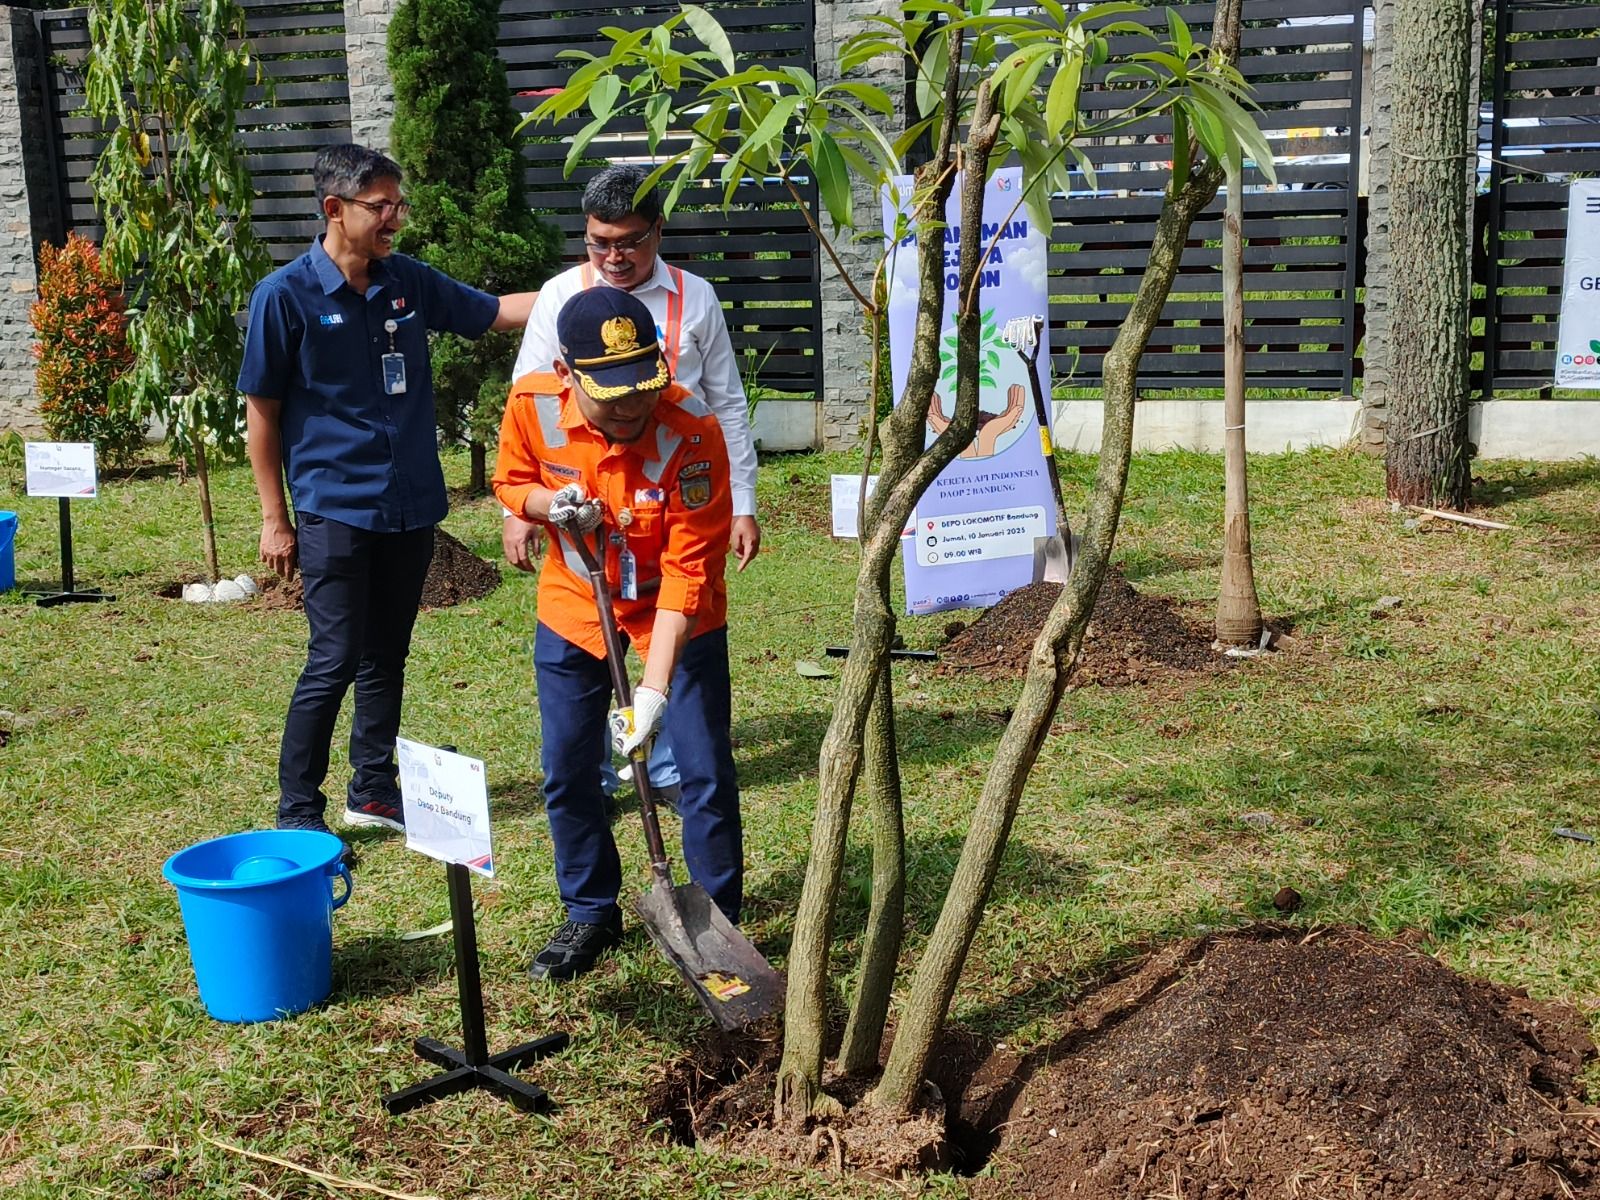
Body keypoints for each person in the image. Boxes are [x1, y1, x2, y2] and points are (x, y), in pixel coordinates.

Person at [240, 143, 537, 845]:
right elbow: (262, 413)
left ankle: (372, 788)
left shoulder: (405, 282)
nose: (395, 218)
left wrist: (589, 286)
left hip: (408, 508)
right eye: (382, 206)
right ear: (335, 209)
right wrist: (274, 519)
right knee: (334, 656)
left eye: (398, 204)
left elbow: (493, 312)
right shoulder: (284, 297)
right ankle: (299, 810)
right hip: (334, 508)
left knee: (387, 654)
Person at [491, 287, 740, 981]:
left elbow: (691, 571)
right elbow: (511, 481)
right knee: (568, 767)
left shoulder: (692, 429)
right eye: (613, 395)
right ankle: (589, 910)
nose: (632, 408)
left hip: (676, 612)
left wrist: (653, 693)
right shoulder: (533, 406)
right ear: (568, 375)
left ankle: (718, 919)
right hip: (577, 602)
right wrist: (548, 503)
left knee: (703, 770)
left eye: (643, 389)